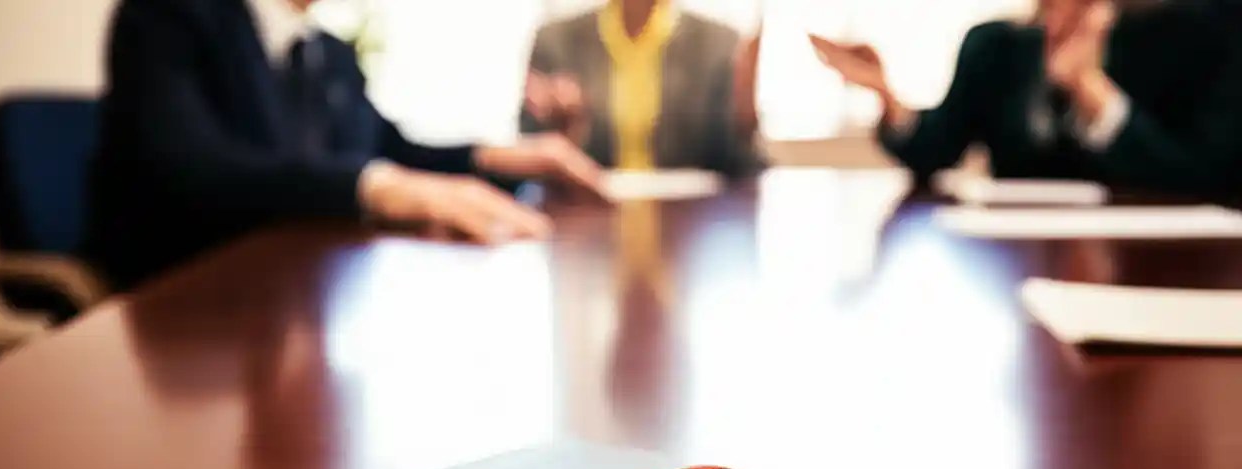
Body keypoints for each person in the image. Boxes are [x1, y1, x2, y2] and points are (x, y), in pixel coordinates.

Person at [89, 0, 605, 289]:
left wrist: (497, 157)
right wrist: (375, 187)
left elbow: (385, 146)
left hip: (294, 291)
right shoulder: (166, 19)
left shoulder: (327, 50)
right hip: (186, 315)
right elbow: (193, 172)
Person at [812, 0, 1242, 197]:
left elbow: (1203, 174)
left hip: (1154, 269)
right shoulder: (995, 46)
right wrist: (886, 93)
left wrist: (1093, 93)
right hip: (1024, 265)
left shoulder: (1191, 34)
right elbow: (933, 150)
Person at [523, 0, 765, 177]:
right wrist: (563, 130)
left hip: (685, 220)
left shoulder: (718, 43)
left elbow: (734, 163)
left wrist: (746, 126)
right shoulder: (556, 41)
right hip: (585, 221)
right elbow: (525, 154)